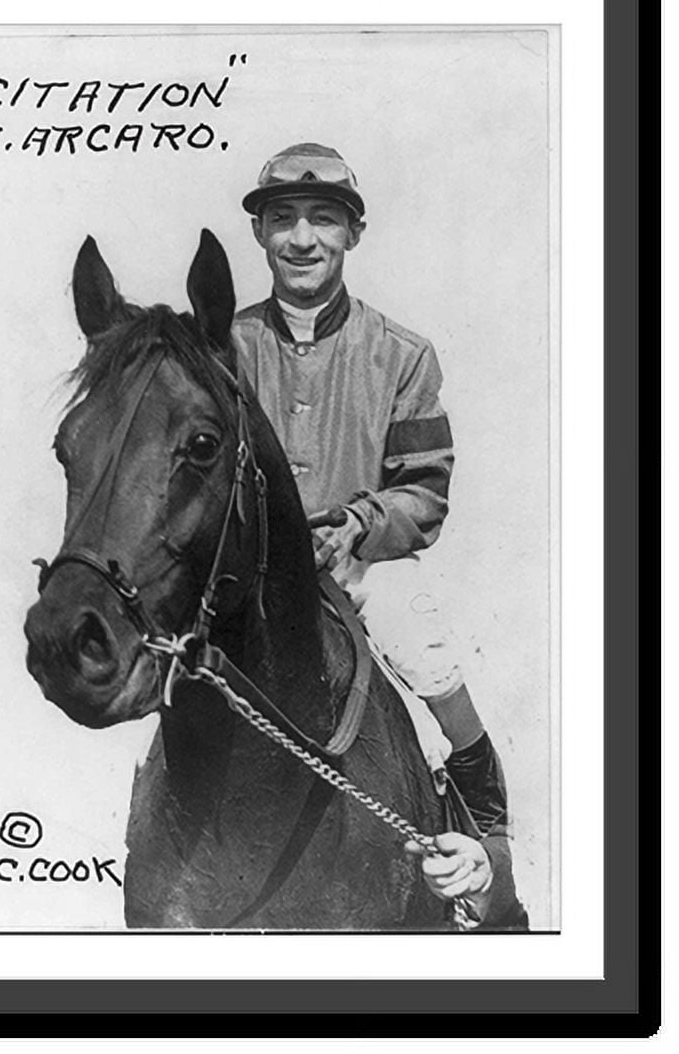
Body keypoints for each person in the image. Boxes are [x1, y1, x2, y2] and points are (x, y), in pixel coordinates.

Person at [231, 142, 528, 928]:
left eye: (323, 219)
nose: (302, 238)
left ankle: (484, 827)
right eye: (283, 218)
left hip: (361, 569)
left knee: (418, 640)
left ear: (351, 235)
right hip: (252, 571)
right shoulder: (222, 349)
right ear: (260, 233)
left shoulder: (402, 354)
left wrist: (357, 527)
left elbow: (424, 489)